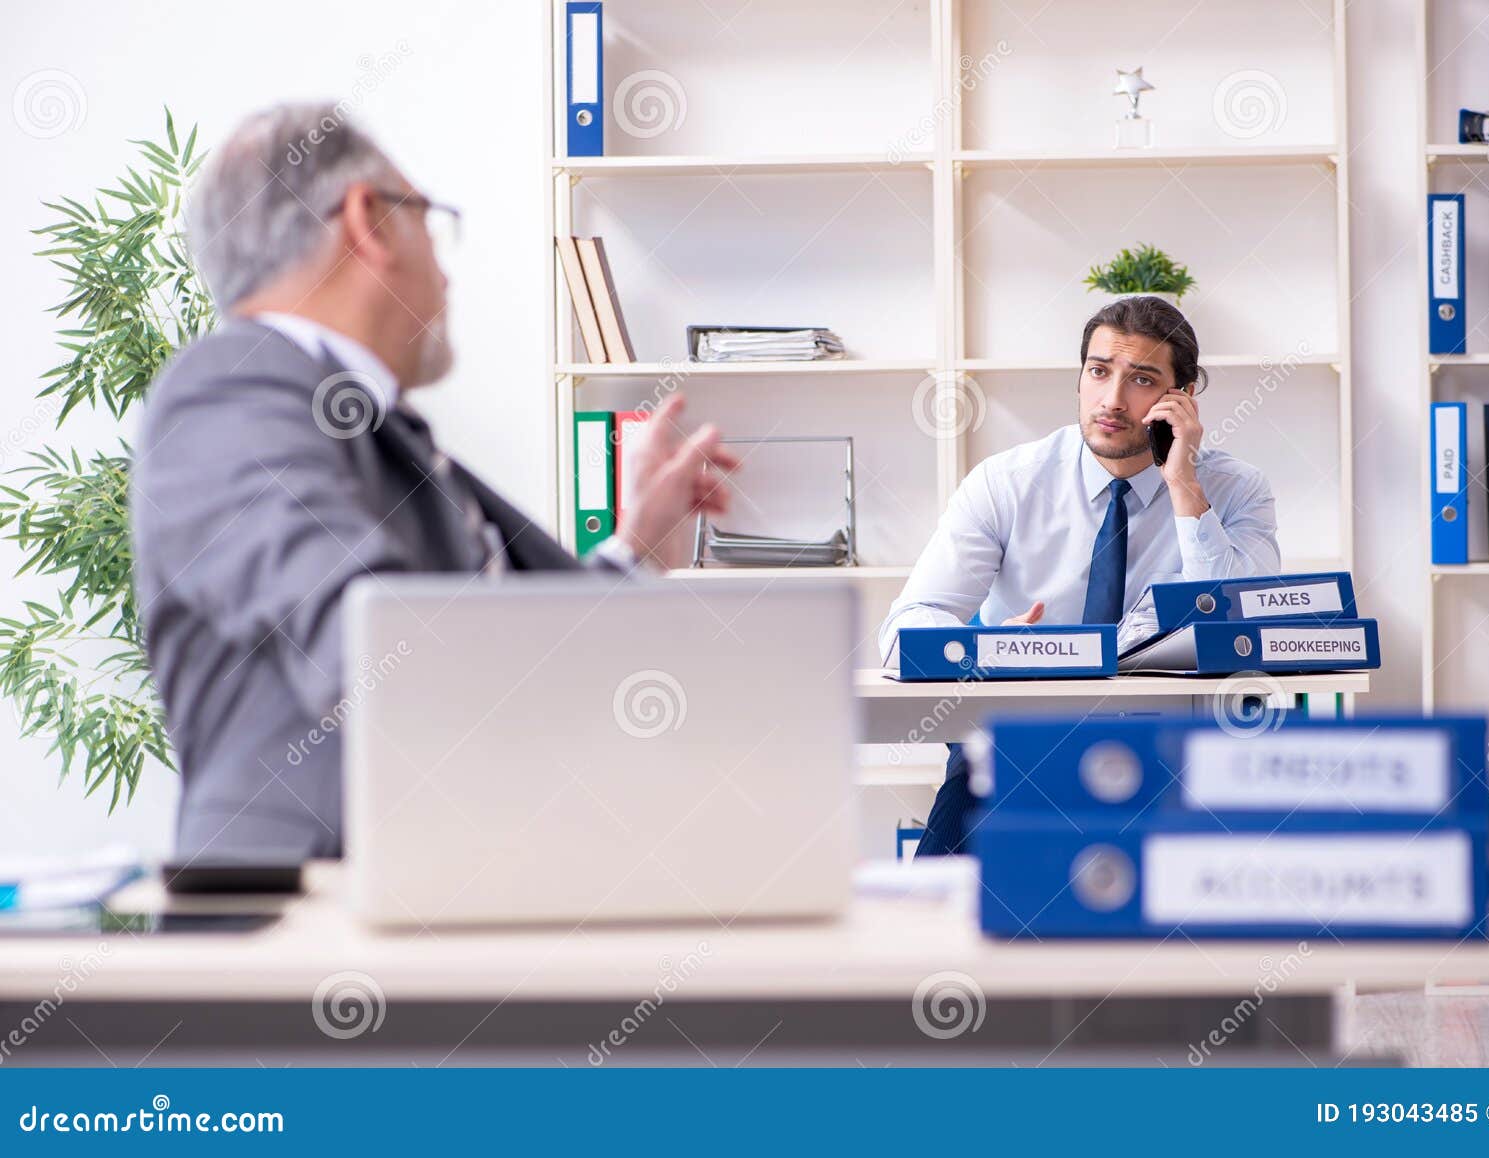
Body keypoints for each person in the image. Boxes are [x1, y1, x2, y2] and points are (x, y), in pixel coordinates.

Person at [131, 103, 736, 861]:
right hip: (309, 927)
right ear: (368, 222)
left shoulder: (373, 429)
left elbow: (501, 636)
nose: (445, 272)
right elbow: (372, 644)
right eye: (430, 221)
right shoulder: (228, 388)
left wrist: (637, 540)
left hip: (436, 903)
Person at [878, 295, 1280, 856]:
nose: (1111, 400)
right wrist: (990, 651)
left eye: (1141, 379)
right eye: (1098, 371)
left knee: (1205, 906)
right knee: (934, 906)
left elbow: (1244, 629)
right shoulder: (1006, 482)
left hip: (1171, 748)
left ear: (1181, 397)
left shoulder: (1237, 490)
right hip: (1015, 743)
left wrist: (1184, 486)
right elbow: (903, 631)